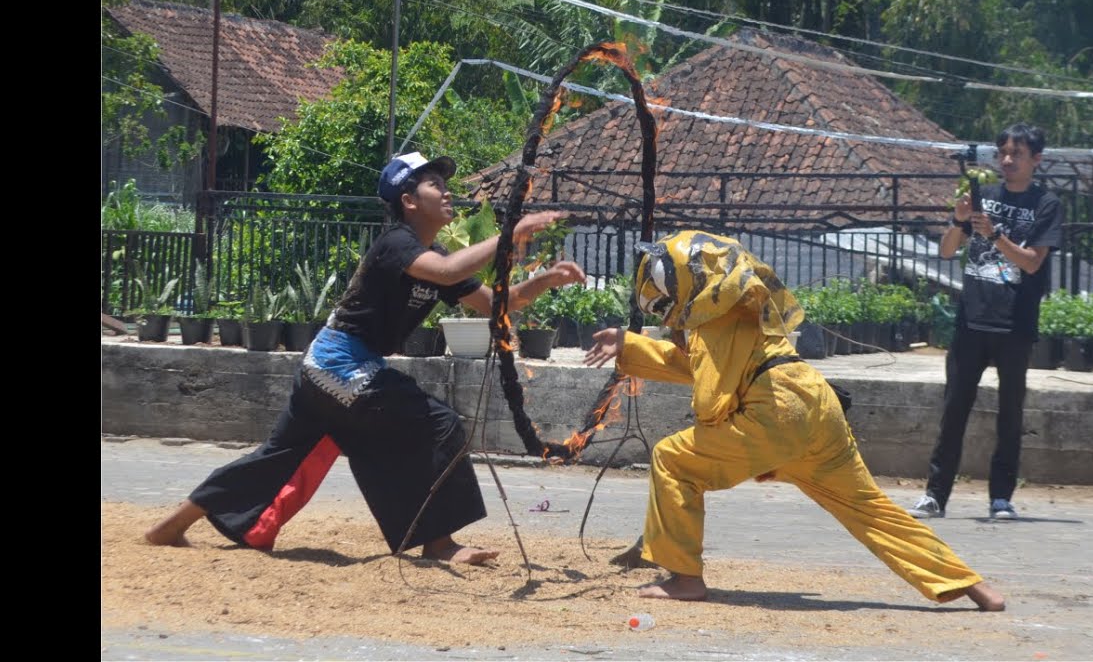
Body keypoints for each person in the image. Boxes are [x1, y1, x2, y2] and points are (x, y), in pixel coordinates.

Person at [145, 152, 585, 564]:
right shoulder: (397, 243)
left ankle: (172, 526)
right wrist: (511, 233)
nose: (447, 191)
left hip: (325, 368)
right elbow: (449, 272)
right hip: (340, 365)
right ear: (409, 201)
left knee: (279, 455)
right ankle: (439, 543)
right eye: (435, 184)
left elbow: (496, 305)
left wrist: (546, 279)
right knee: (440, 423)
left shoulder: (433, 256)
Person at [585, 230, 1004, 610]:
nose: (665, 311)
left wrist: (739, 449)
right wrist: (628, 344)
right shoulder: (744, 304)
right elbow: (700, 363)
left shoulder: (716, 319)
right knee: (870, 508)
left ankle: (685, 579)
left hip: (775, 416)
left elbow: (711, 400)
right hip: (817, 405)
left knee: (673, 460)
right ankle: (969, 583)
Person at [908, 123, 1064, 521]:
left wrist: (994, 236)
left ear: (1036, 160)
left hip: (1014, 324)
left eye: (1017, 154)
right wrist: (958, 220)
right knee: (953, 410)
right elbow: (946, 252)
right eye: (1003, 153)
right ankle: (935, 495)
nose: (1007, 160)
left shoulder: (1046, 204)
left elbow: (1032, 262)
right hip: (971, 321)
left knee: (1010, 414)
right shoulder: (984, 196)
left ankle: (1001, 498)